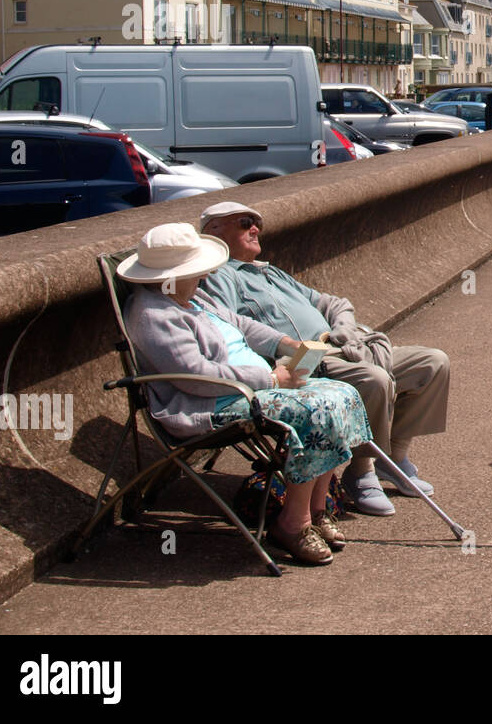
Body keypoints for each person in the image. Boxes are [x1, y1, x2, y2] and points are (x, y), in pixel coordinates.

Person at [119, 223, 372, 565]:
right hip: (211, 403)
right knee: (315, 410)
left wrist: (288, 345)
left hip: (249, 387)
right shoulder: (153, 314)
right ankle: (292, 525)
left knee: (342, 394)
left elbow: (241, 325)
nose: (204, 275)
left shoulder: (188, 297)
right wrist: (269, 378)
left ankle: (316, 508)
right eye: (196, 270)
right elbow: (197, 378)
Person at [197, 202, 450, 516]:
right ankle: (362, 471)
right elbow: (227, 328)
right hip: (308, 363)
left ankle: (394, 459)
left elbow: (334, 303)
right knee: (374, 380)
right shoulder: (221, 276)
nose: (255, 229)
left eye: (257, 223)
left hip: (343, 348)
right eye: (245, 222)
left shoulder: (270, 272)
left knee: (433, 363)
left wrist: (342, 329)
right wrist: (292, 350)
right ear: (215, 232)